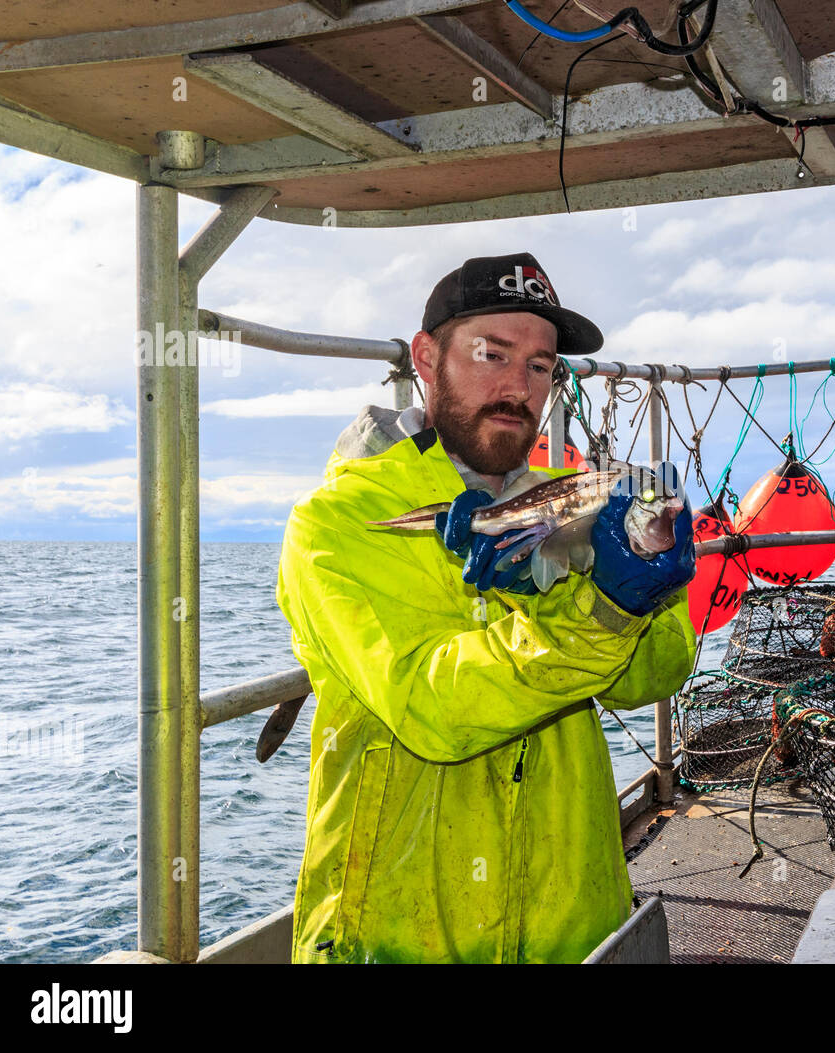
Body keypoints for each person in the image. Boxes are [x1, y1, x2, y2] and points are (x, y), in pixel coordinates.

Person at [276, 251, 698, 963]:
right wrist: (595, 608)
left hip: (579, 926)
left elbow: (655, 673)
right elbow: (436, 707)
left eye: (540, 366)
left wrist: (626, 587)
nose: (517, 386)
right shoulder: (339, 522)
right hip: (403, 939)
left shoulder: (578, 500)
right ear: (425, 356)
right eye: (491, 353)